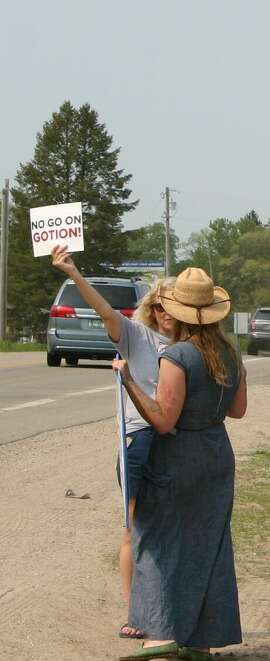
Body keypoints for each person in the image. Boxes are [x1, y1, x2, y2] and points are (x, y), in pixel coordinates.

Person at [116, 266, 248, 661]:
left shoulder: (177, 355)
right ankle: (202, 639)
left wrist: (129, 382)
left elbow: (163, 420)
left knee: (156, 538)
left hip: (178, 454)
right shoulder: (230, 353)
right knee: (209, 544)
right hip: (217, 453)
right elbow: (239, 410)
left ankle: (159, 634)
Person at [49, 245, 176, 640]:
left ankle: (171, 607)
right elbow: (106, 310)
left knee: (171, 527)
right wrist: (73, 274)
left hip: (176, 440)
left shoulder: (194, 347)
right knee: (134, 527)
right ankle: (135, 612)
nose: (167, 313)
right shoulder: (137, 337)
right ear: (152, 310)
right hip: (138, 437)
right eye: (160, 306)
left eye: (175, 306)